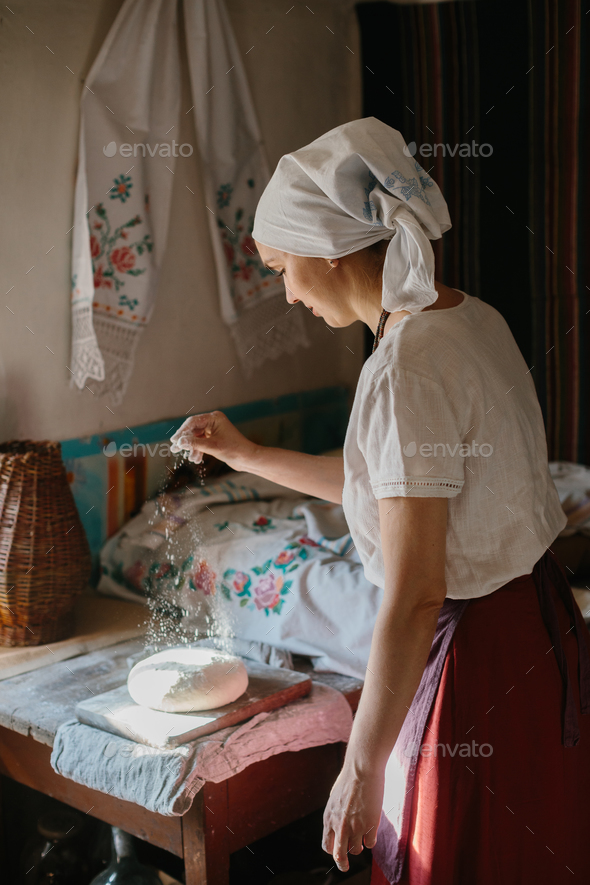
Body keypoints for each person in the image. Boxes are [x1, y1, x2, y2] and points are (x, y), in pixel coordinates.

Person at [170, 118, 590, 884]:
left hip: (474, 664)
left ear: (329, 251)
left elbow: (415, 590)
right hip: (532, 629)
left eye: (283, 268)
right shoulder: (468, 319)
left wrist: (360, 766)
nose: (288, 293)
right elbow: (391, 486)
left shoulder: (406, 367)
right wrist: (247, 454)